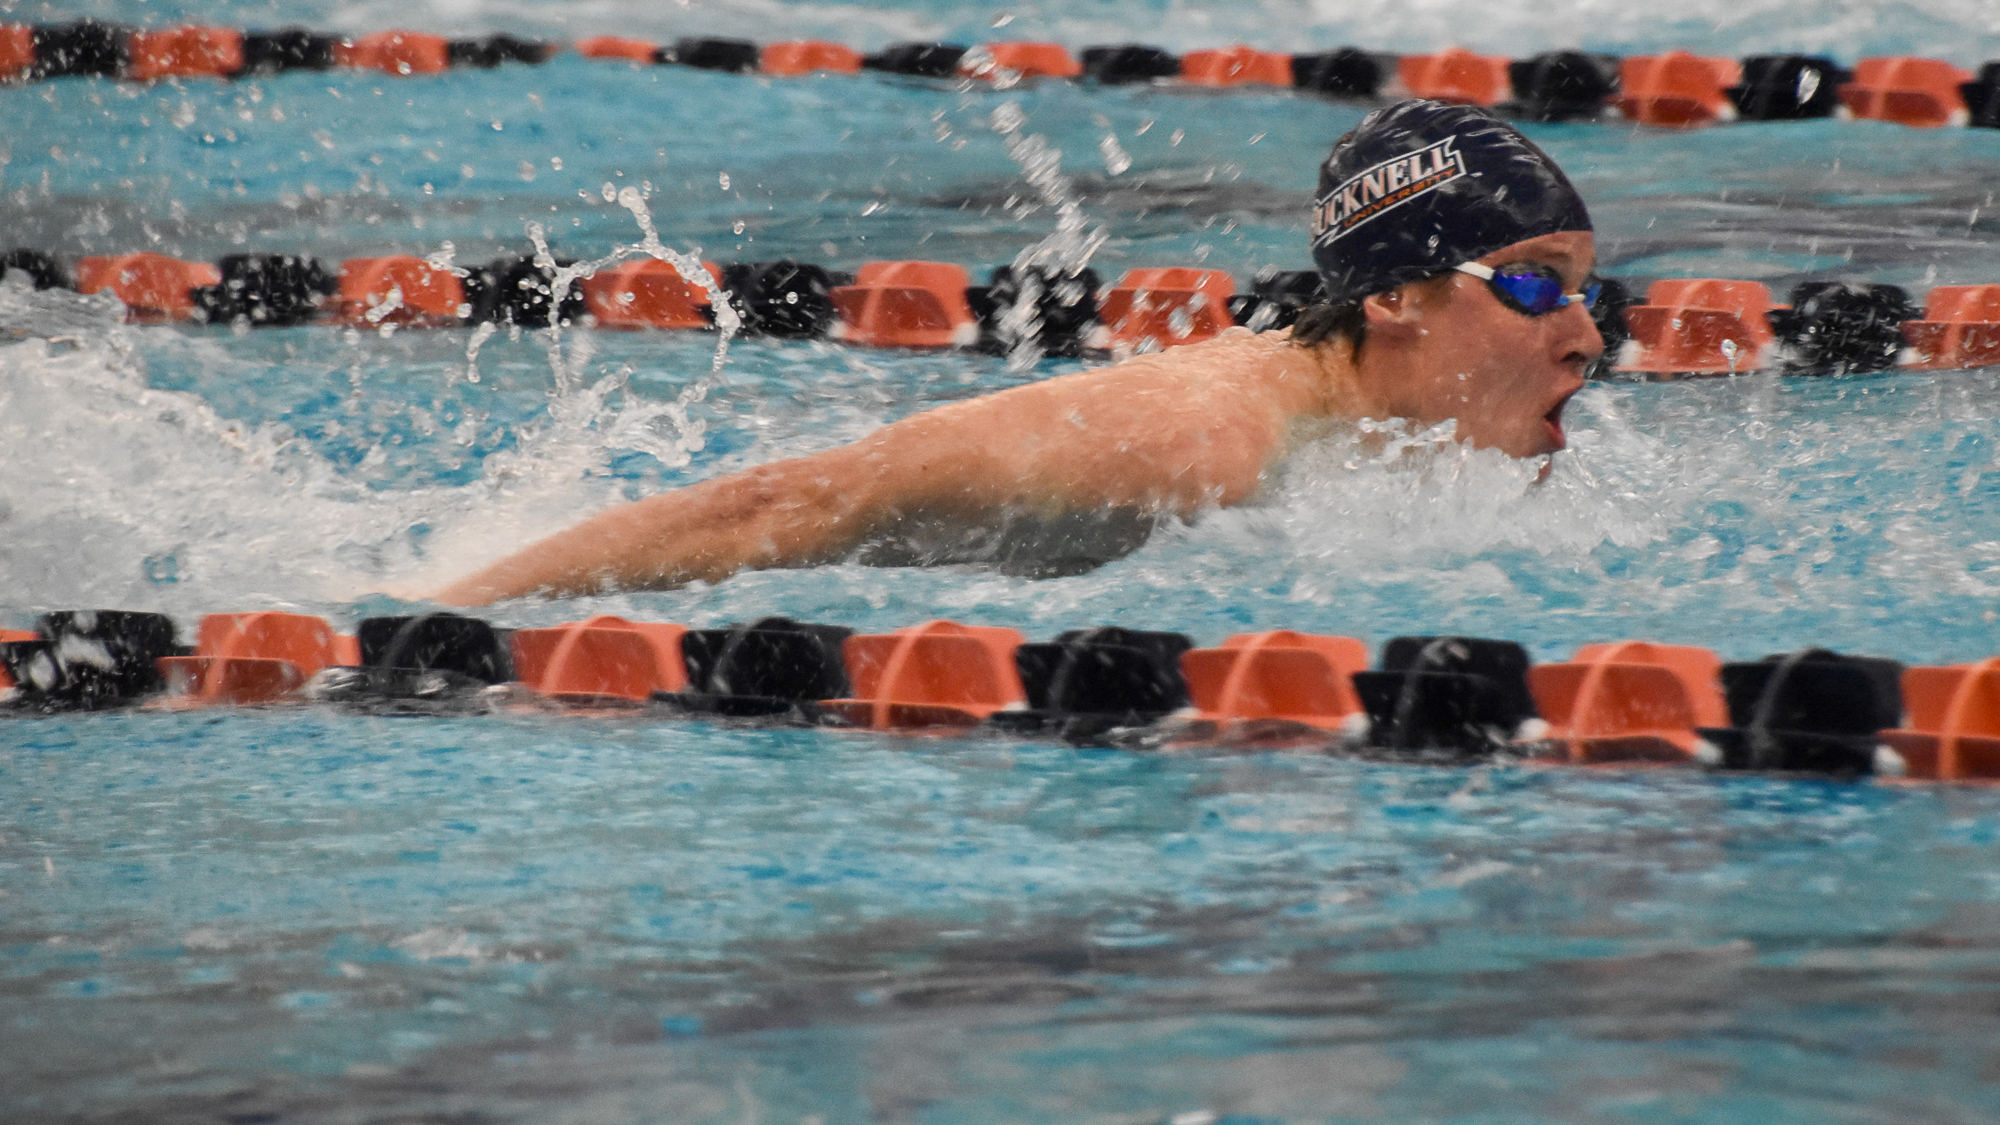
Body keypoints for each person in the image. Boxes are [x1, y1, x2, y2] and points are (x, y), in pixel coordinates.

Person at [434, 99, 1604, 606]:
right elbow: (787, 504)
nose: (1586, 336)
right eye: (1532, 285)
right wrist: (427, 620)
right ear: (1392, 295)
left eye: (1586, 292)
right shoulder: (1197, 446)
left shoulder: (1377, 439)